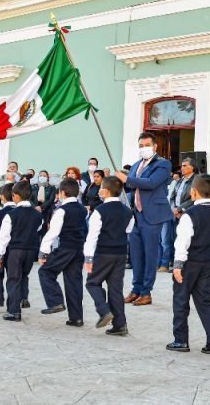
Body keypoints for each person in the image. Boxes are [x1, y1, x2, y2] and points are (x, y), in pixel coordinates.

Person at [166, 174, 210, 354]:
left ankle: (181, 339)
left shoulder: (189, 215)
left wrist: (177, 265)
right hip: (206, 261)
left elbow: (182, 242)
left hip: (188, 262)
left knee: (181, 300)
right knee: (205, 301)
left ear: (193, 192)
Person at [117, 132, 173, 307]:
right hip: (136, 215)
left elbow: (150, 183)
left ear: (155, 146)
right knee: (136, 254)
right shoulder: (135, 165)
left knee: (150, 254)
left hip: (153, 214)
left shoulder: (163, 164)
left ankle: (146, 292)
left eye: (147, 145)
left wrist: (127, 179)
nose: (144, 148)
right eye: (141, 146)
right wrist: (120, 181)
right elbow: (130, 185)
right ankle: (136, 289)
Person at [84, 176, 134, 336]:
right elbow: (128, 230)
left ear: (105, 191)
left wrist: (88, 258)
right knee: (115, 289)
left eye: (100, 189)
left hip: (102, 252)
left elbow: (92, 236)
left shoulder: (99, 211)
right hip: (120, 253)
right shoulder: (128, 211)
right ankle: (120, 324)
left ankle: (104, 311)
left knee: (92, 283)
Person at [38, 177, 88, 324]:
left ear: (62, 193)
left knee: (45, 272)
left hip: (66, 247)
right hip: (78, 249)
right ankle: (76, 317)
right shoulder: (81, 209)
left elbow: (53, 232)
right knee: (73, 282)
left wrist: (43, 252)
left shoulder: (61, 210)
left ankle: (55, 301)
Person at [0, 180, 43, 321]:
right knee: (23, 276)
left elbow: (3, 237)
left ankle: (14, 311)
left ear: (15, 196)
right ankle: (23, 299)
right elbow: (39, 229)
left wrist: (0, 255)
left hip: (15, 250)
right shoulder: (37, 214)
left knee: (13, 279)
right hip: (31, 251)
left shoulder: (11, 214)